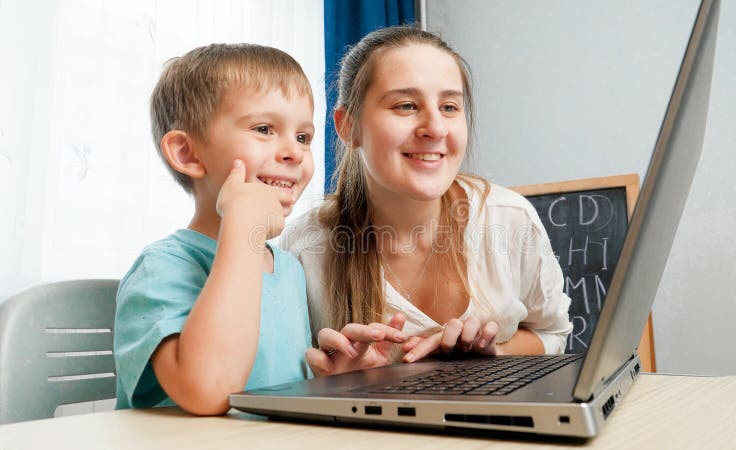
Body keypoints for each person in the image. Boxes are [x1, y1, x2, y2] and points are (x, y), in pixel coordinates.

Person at [113, 44, 404, 416]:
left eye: (303, 137)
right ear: (188, 154)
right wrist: (245, 225)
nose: (295, 152)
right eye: (264, 129)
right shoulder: (161, 268)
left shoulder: (289, 269)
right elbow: (210, 392)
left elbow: (269, 401)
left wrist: (334, 379)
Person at [281, 26, 573, 376]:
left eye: (449, 106)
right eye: (406, 105)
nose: (435, 128)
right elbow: (289, 380)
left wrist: (494, 354)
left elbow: (552, 333)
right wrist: (334, 381)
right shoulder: (304, 249)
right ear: (348, 127)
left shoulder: (509, 219)